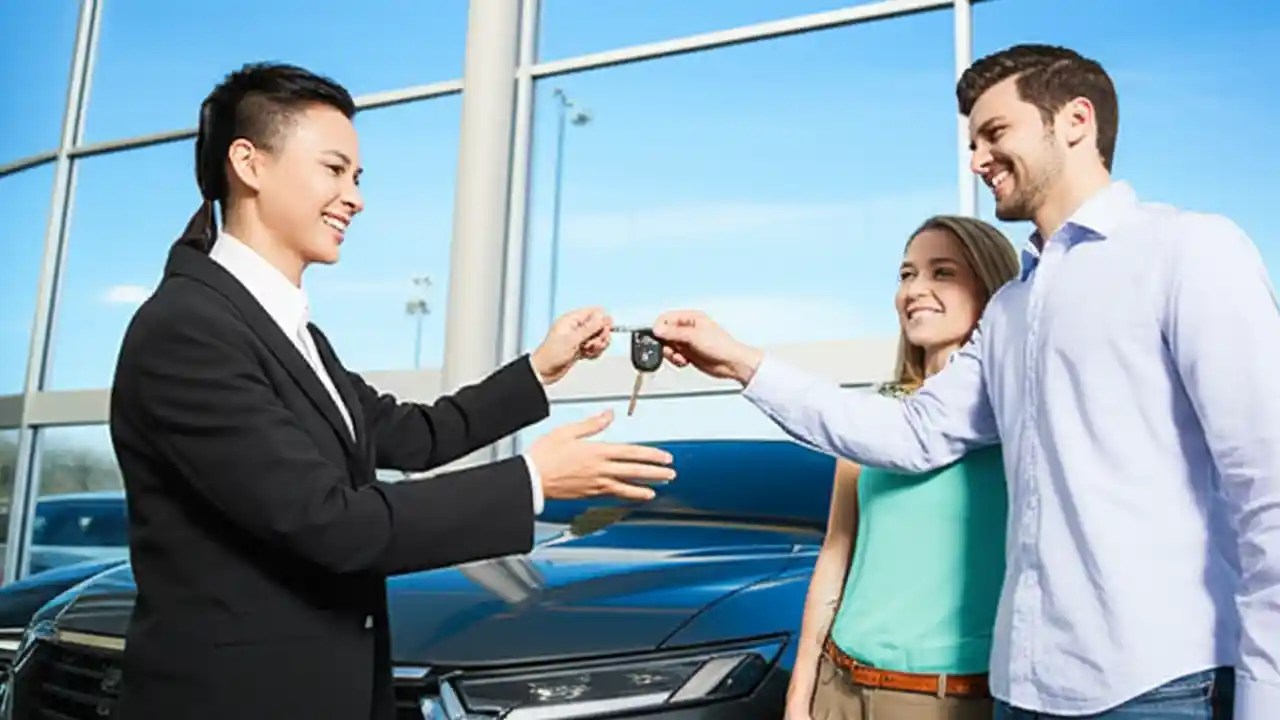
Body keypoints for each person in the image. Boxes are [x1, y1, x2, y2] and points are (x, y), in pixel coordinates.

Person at [653, 43, 1280, 719]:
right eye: (974, 141)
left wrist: (1265, 696)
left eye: (995, 133)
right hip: (1022, 690)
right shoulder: (1012, 309)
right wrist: (743, 362)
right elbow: (910, 432)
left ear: (1075, 120)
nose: (978, 159)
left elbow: (1266, 488)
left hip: (1160, 686)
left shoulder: (1189, 251)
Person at [108, 62, 674, 720]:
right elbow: (331, 524)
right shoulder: (188, 331)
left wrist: (541, 368)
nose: (356, 197)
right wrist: (533, 481)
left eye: (357, 177)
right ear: (249, 163)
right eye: (334, 169)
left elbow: (418, 434)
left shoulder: (295, 336)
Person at [785, 215, 1019, 720]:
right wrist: (800, 695)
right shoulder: (872, 417)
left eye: (942, 273)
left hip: (947, 701)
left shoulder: (1016, 419)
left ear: (992, 289)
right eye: (906, 274)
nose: (915, 289)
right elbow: (836, 554)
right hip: (838, 686)